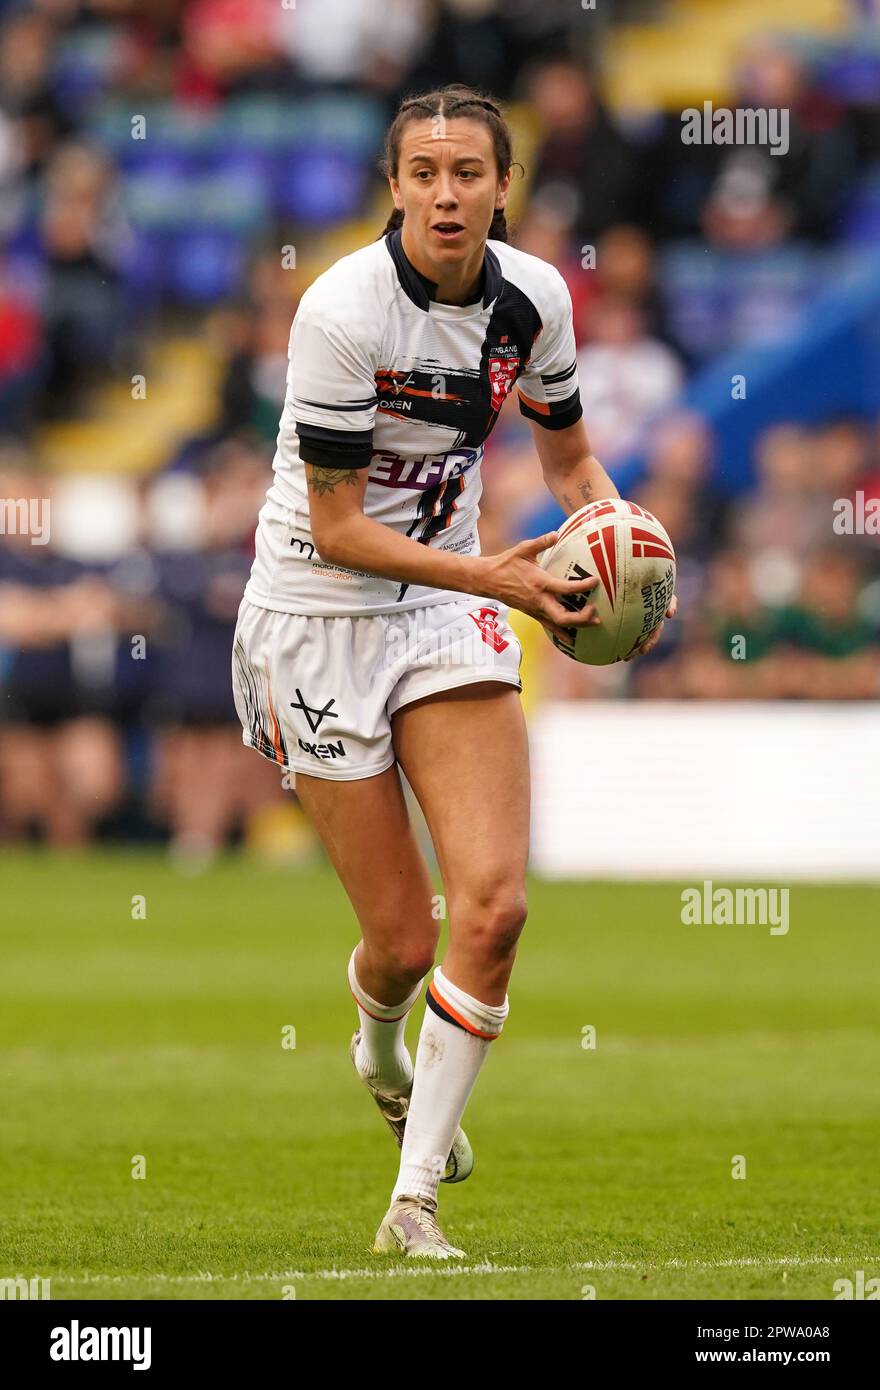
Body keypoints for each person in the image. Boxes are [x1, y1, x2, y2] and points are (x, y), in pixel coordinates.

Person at [231, 84, 675, 1259]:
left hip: (444, 607)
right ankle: (375, 1040)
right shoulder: (339, 310)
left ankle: (411, 1199)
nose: (444, 191)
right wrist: (503, 579)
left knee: (495, 903)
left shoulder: (535, 299)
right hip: (318, 612)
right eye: (423, 171)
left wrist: (623, 542)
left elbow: (570, 457)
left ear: (500, 187)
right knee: (401, 943)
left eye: (467, 172)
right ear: (395, 186)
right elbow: (335, 528)